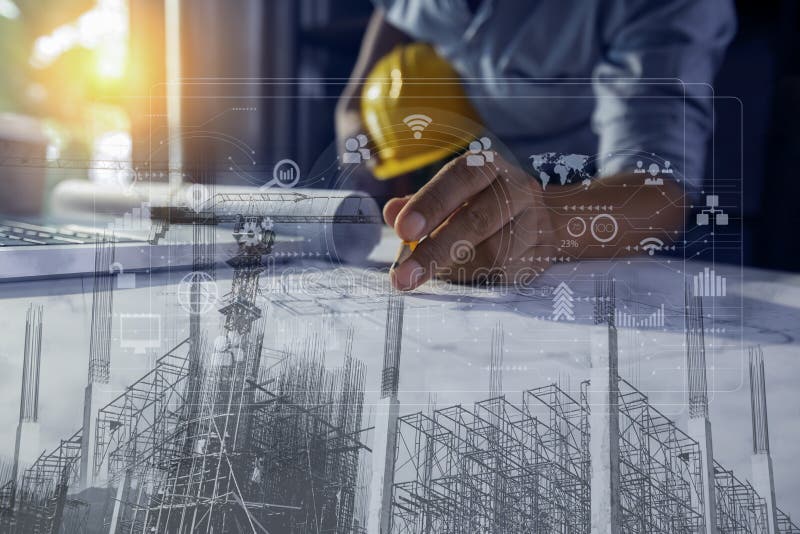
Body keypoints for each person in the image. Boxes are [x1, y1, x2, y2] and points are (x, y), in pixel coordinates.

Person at [336, 0, 736, 291]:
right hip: (479, 195)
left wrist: (544, 223)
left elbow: (659, 192)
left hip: (601, 234)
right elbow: (398, 17)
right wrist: (358, 124)